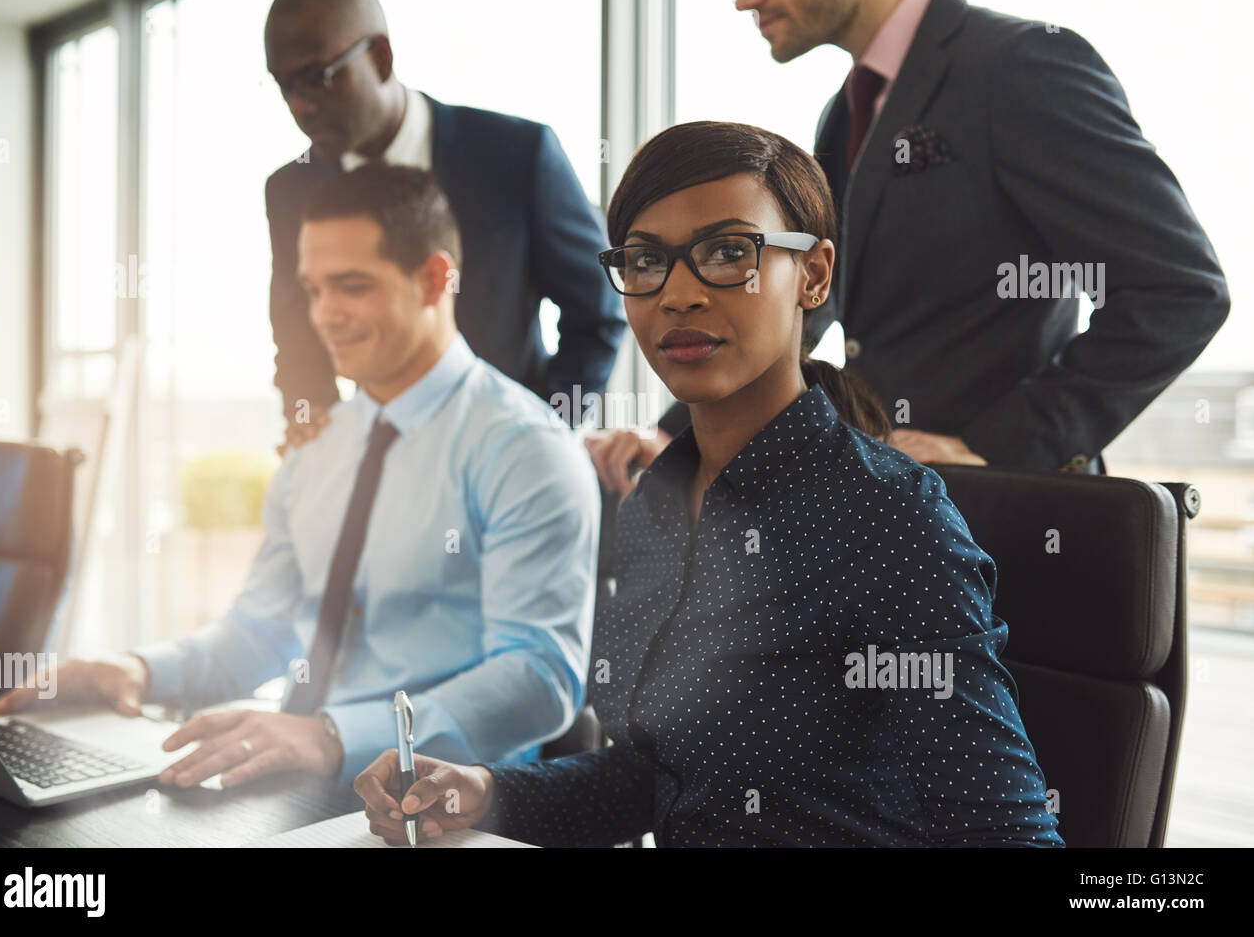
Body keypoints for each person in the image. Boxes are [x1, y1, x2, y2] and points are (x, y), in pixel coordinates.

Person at [353, 123, 1064, 847]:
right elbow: (657, 778)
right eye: (646, 260)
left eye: (730, 253)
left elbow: (1006, 832)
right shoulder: (654, 505)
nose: (679, 294)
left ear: (813, 275)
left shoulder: (888, 516)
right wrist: (486, 791)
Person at [0, 164, 600, 790]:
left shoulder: (525, 450)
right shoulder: (318, 448)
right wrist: (138, 670)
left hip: (436, 805)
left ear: (435, 279)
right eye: (313, 289)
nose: (324, 315)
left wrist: (334, 734)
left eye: (351, 286)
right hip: (291, 783)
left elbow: (539, 679)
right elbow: (259, 632)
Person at [587, 0, 1228, 485]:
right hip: (888, 521)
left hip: (1008, 523)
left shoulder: (1019, 65)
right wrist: (676, 436)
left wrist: (994, 447)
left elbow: (1179, 291)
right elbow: (799, 308)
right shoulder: (844, 115)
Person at [265, 0, 626, 451]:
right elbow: (295, 323)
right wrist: (319, 425)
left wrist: (541, 431)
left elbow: (597, 312)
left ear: (379, 57)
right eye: (283, 85)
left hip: (504, 454)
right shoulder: (291, 188)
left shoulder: (517, 156)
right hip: (373, 458)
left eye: (317, 77)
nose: (300, 106)